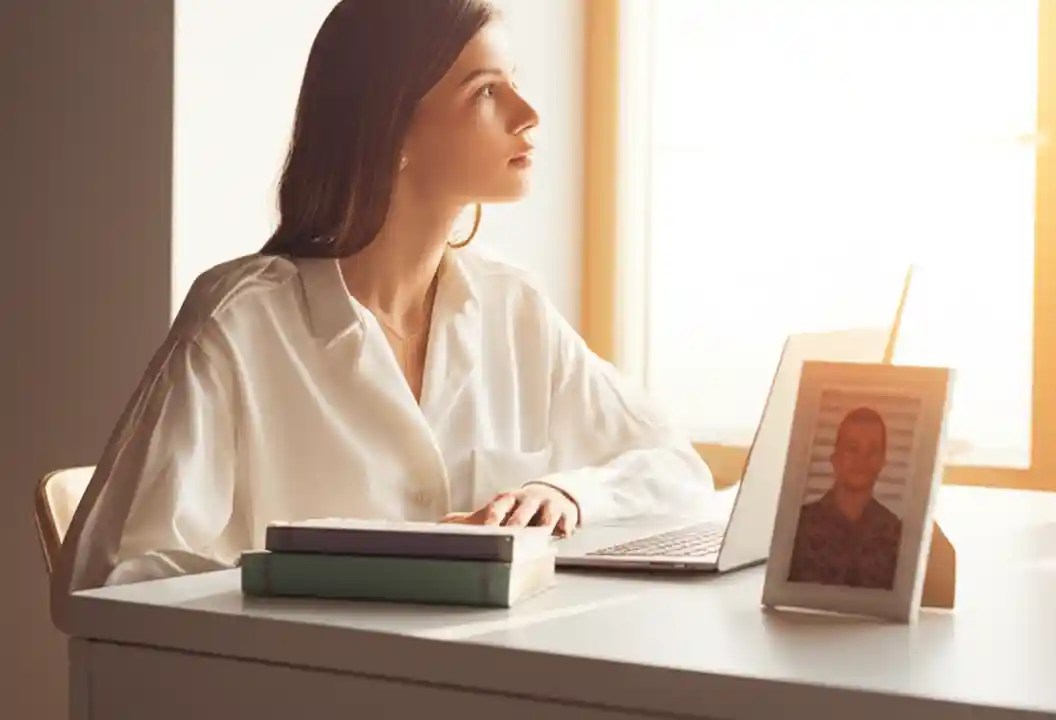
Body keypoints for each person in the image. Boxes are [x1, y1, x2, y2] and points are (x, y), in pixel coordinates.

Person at [52, 0, 712, 602]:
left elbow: (678, 471)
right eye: (486, 91)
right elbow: (112, 579)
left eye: (512, 81)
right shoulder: (239, 323)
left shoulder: (514, 307)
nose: (528, 114)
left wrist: (566, 492)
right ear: (391, 131)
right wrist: (359, 570)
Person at [788, 406, 902, 589]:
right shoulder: (797, 526)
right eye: (852, 448)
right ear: (835, 458)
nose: (862, 459)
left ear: (882, 462)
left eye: (873, 450)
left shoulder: (897, 535)